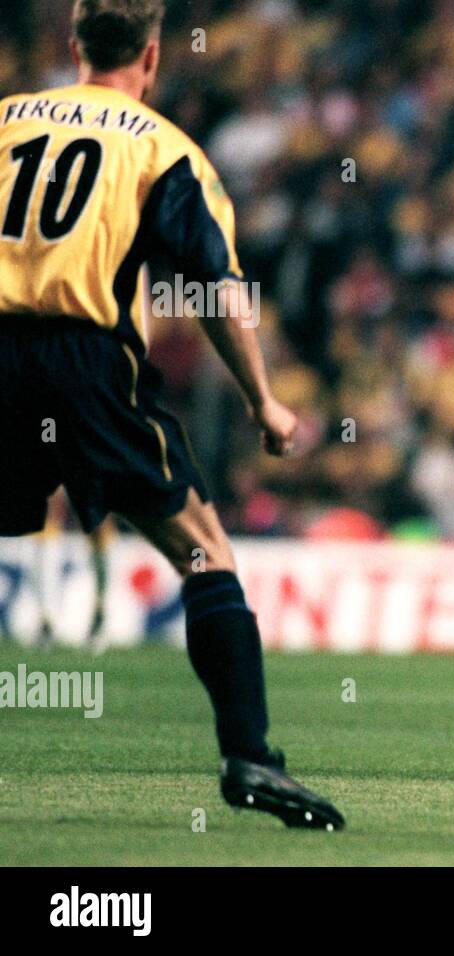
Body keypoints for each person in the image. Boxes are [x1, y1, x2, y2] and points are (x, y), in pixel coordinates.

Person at [0, 0, 343, 829]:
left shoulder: (5, 121)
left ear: (72, 45)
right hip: (86, 358)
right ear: (152, 56)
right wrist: (263, 398)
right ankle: (250, 760)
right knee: (202, 551)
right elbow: (220, 288)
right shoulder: (161, 147)